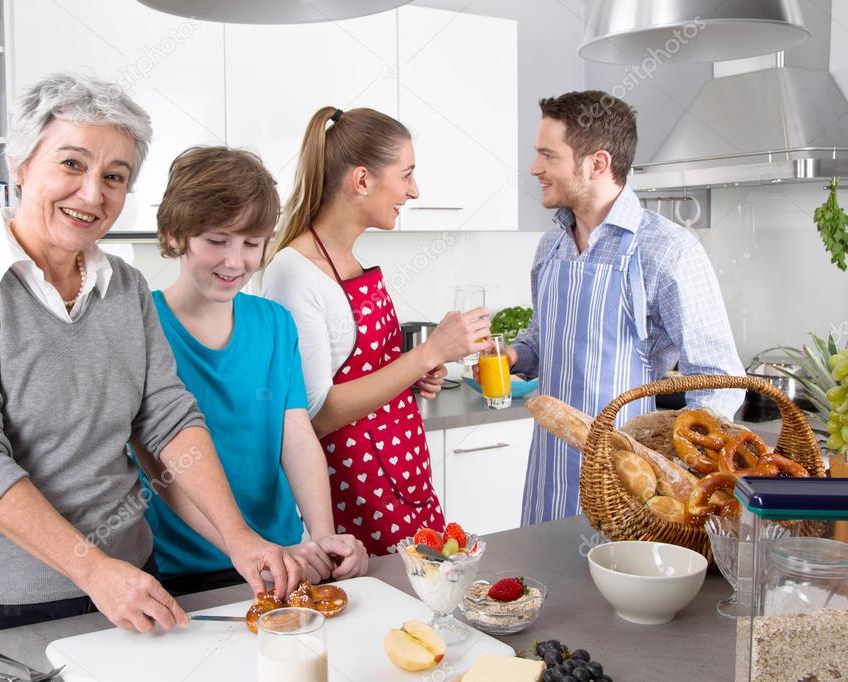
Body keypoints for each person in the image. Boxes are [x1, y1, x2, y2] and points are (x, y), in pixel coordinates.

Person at [0, 73, 301, 643]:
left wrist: (238, 536)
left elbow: (168, 417)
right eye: (71, 164)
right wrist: (91, 569)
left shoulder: (126, 287)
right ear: (20, 166)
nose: (92, 194)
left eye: (114, 177)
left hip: (130, 580)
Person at [132, 146, 368, 591]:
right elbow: (159, 468)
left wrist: (323, 537)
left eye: (251, 243)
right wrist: (246, 546)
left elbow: (296, 437)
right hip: (184, 568)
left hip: (283, 556)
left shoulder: (274, 322)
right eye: (216, 241)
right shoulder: (143, 323)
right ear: (175, 235)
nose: (234, 261)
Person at [507, 90, 744, 525]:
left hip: (628, 483)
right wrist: (514, 355)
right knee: (542, 589)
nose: (534, 169)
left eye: (547, 156)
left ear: (597, 163)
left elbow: (720, 376)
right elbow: (544, 337)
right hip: (549, 472)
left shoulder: (667, 250)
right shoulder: (551, 244)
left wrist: (683, 466)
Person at [261, 106, 490, 556]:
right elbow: (314, 414)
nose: (415, 191)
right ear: (362, 180)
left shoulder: (349, 259)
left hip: (403, 478)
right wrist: (424, 355)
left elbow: (373, 370)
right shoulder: (293, 272)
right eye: (406, 175)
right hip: (355, 489)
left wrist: (416, 373)